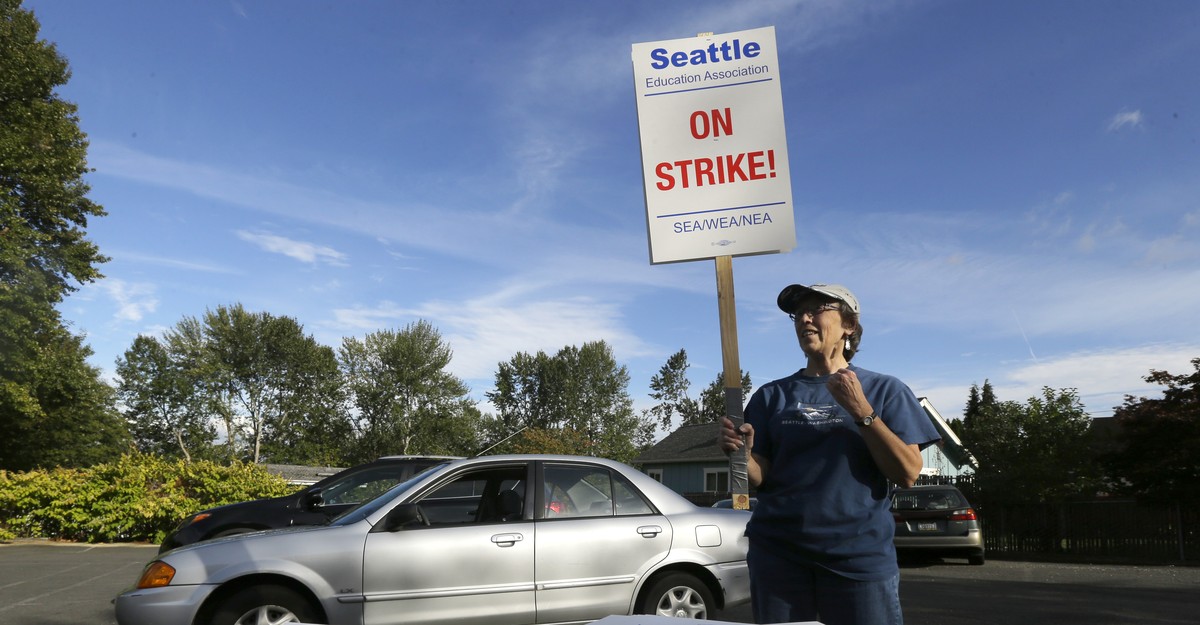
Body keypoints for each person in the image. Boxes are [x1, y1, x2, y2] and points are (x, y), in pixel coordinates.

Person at [719, 282, 941, 625]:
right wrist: (744, 456)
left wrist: (862, 412)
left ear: (849, 325)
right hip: (779, 556)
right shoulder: (770, 396)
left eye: (817, 309)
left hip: (857, 556)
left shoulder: (886, 390)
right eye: (798, 314)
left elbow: (908, 472)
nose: (804, 319)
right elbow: (762, 477)